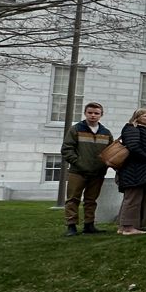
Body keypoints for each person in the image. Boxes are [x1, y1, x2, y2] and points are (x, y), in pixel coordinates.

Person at [61, 101, 113, 236]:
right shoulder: (75, 129)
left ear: (101, 115)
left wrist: (105, 165)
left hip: (97, 173)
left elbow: (111, 152)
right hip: (78, 172)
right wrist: (79, 163)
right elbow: (67, 149)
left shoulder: (106, 133)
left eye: (96, 113)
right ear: (85, 113)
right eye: (90, 113)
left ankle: (89, 225)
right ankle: (71, 226)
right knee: (73, 199)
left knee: (91, 200)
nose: (93, 116)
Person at [116, 108, 146, 236]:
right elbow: (133, 147)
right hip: (134, 170)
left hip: (141, 170)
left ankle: (125, 226)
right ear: (137, 117)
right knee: (133, 198)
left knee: (135, 198)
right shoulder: (132, 128)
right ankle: (128, 228)